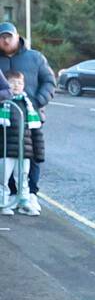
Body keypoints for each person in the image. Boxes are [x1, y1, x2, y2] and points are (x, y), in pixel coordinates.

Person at [0, 21, 55, 208]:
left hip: (31, 118)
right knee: (4, 156)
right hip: (4, 120)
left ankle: (30, 193)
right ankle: (8, 194)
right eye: (2, 37)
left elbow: (49, 81)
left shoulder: (35, 58)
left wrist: (38, 101)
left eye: (9, 36)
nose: (5, 41)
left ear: (17, 37)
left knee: (31, 156)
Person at [0, 70, 45, 215]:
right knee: (3, 178)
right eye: (12, 83)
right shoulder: (3, 104)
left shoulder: (28, 105)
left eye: (20, 83)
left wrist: (39, 152)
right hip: (5, 150)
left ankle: (23, 202)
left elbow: (36, 132)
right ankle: (4, 202)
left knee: (23, 177)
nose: (16, 86)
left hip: (24, 150)